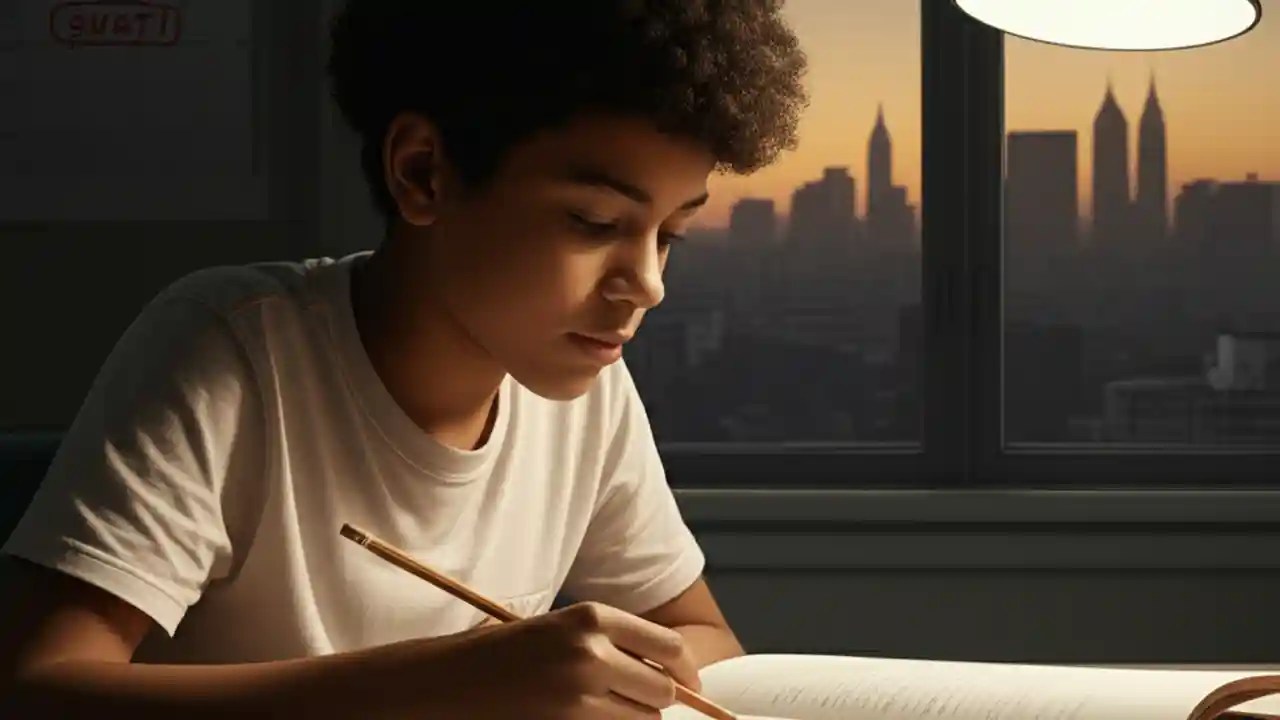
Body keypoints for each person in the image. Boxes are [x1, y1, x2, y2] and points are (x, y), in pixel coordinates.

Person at [0, 0, 808, 717]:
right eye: (595, 223)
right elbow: (37, 687)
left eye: (671, 235)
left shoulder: (586, 389)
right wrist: (454, 685)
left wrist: (598, 680)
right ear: (422, 172)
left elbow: (702, 636)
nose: (648, 285)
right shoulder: (233, 352)